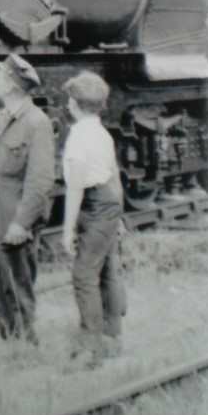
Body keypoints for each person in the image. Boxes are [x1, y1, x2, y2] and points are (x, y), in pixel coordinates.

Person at [0, 54, 55, 344]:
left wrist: (22, 223)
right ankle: (9, 340)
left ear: (11, 86)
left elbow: (41, 180)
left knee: (18, 282)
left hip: (17, 212)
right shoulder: (5, 116)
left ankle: (27, 344)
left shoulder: (37, 123)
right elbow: (8, 154)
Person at [61, 70, 127, 366]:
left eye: (68, 100)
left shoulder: (78, 137)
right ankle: (112, 336)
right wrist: (119, 215)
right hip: (109, 202)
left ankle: (91, 347)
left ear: (74, 104)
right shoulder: (102, 133)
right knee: (108, 269)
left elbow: (75, 187)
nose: (66, 105)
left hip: (94, 204)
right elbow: (115, 176)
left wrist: (66, 230)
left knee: (84, 274)